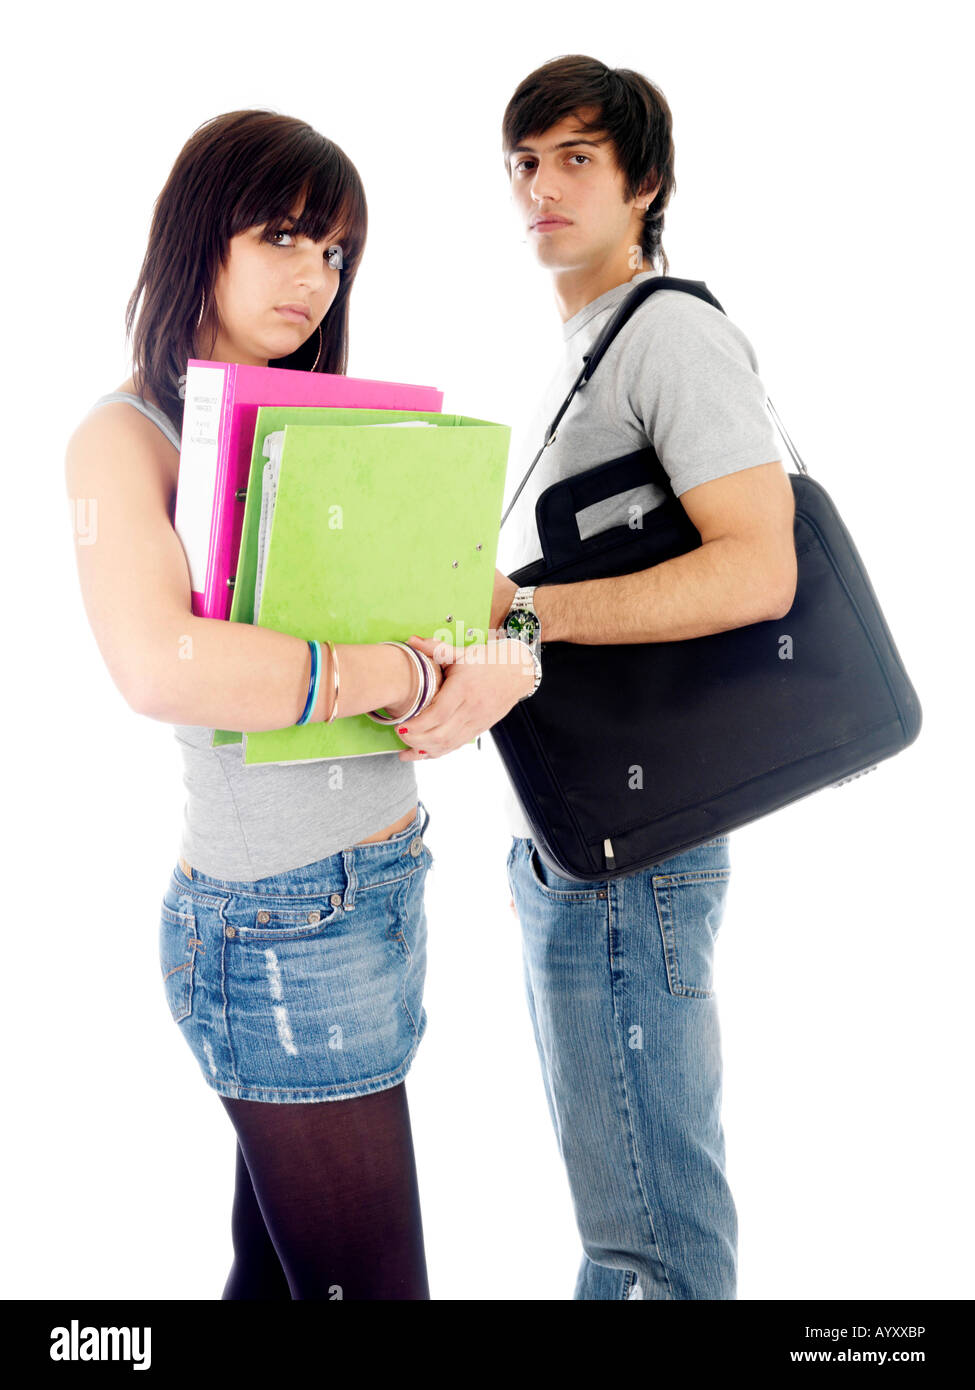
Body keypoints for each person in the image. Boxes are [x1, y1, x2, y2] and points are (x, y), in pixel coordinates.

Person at [63, 109, 534, 1301]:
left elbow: (499, 606)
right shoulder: (127, 436)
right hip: (276, 925)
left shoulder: (336, 425)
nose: (315, 277)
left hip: (385, 886)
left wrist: (504, 662)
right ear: (198, 238)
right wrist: (401, 672)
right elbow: (159, 664)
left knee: (275, 1278)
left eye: (335, 253)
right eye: (281, 235)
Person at [399, 56, 797, 1299]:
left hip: (639, 853)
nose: (542, 186)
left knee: (651, 1244)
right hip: (581, 842)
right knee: (622, 1230)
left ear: (646, 183)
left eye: (577, 158)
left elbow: (759, 571)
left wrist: (526, 610)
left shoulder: (668, 333)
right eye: (524, 162)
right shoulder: (589, 348)